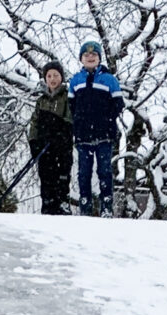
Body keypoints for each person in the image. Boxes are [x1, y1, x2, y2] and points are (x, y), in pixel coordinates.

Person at [66, 40, 122, 216]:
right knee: (84, 173)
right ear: (81, 59)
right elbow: (71, 106)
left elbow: (118, 105)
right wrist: (79, 123)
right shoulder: (75, 80)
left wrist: (105, 120)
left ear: (99, 58)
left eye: (94, 54)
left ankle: (106, 206)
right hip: (83, 137)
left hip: (104, 135)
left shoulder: (109, 79)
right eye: (86, 55)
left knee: (105, 171)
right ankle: (85, 206)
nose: (90, 57)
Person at [26, 60, 72, 215]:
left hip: (62, 146)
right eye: (49, 76)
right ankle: (47, 204)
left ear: (61, 77)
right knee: (46, 176)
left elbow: (70, 119)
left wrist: (61, 130)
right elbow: (34, 123)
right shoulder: (41, 101)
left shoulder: (67, 97)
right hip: (45, 147)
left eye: (56, 75)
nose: (53, 79)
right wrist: (34, 141)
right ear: (45, 79)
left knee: (62, 175)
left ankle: (62, 203)